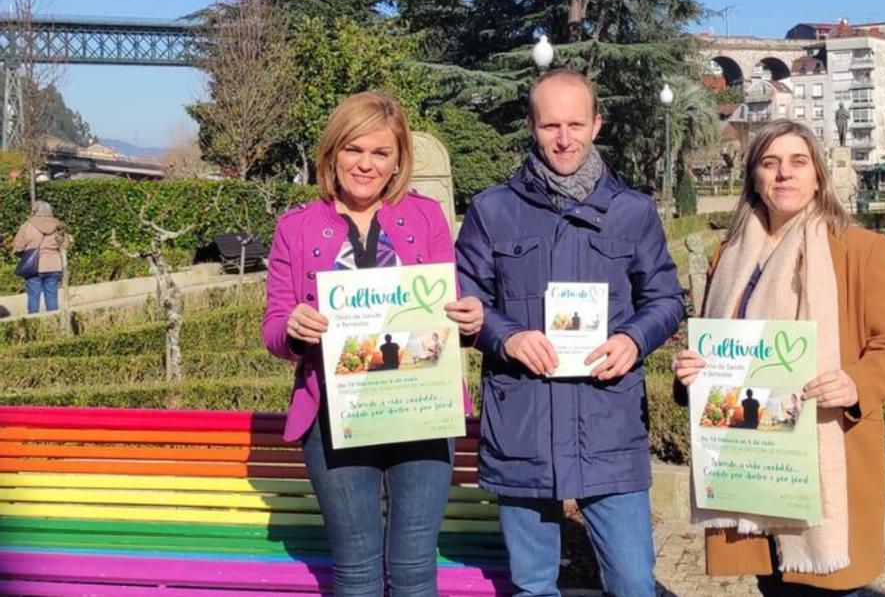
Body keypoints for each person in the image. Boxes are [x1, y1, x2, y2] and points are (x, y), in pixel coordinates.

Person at [455, 68, 685, 597]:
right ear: (531, 127)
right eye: (550, 124)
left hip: (609, 424)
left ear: (596, 125)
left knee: (632, 582)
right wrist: (504, 335)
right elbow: (465, 301)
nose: (564, 138)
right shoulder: (493, 211)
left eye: (576, 124)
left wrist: (633, 339)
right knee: (534, 585)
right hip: (523, 425)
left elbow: (667, 300)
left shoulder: (632, 210)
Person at [672, 119, 885, 596]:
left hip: (829, 448)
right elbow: (713, 346)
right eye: (770, 162)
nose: (784, 174)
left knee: (833, 586)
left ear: (818, 176)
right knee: (775, 585)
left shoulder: (862, 250)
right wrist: (691, 374)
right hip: (752, 461)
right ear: (755, 178)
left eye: (797, 162)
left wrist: (856, 383)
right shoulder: (730, 256)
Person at [262, 91, 484, 597]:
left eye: (380, 153)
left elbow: (448, 307)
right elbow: (273, 327)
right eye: (353, 149)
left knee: (413, 569)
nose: (365, 164)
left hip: (421, 412)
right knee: (357, 572)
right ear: (332, 153)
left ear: (398, 161)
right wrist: (293, 327)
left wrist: (467, 320)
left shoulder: (427, 218)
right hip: (335, 418)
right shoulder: (295, 228)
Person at [12, 200, 65, 314]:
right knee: (52, 296)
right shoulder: (58, 225)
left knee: (33, 296)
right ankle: (53, 322)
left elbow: (18, 246)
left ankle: (34, 324)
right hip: (54, 265)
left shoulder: (27, 225)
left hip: (34, 266)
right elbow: (65, 244)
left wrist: (21, 254)